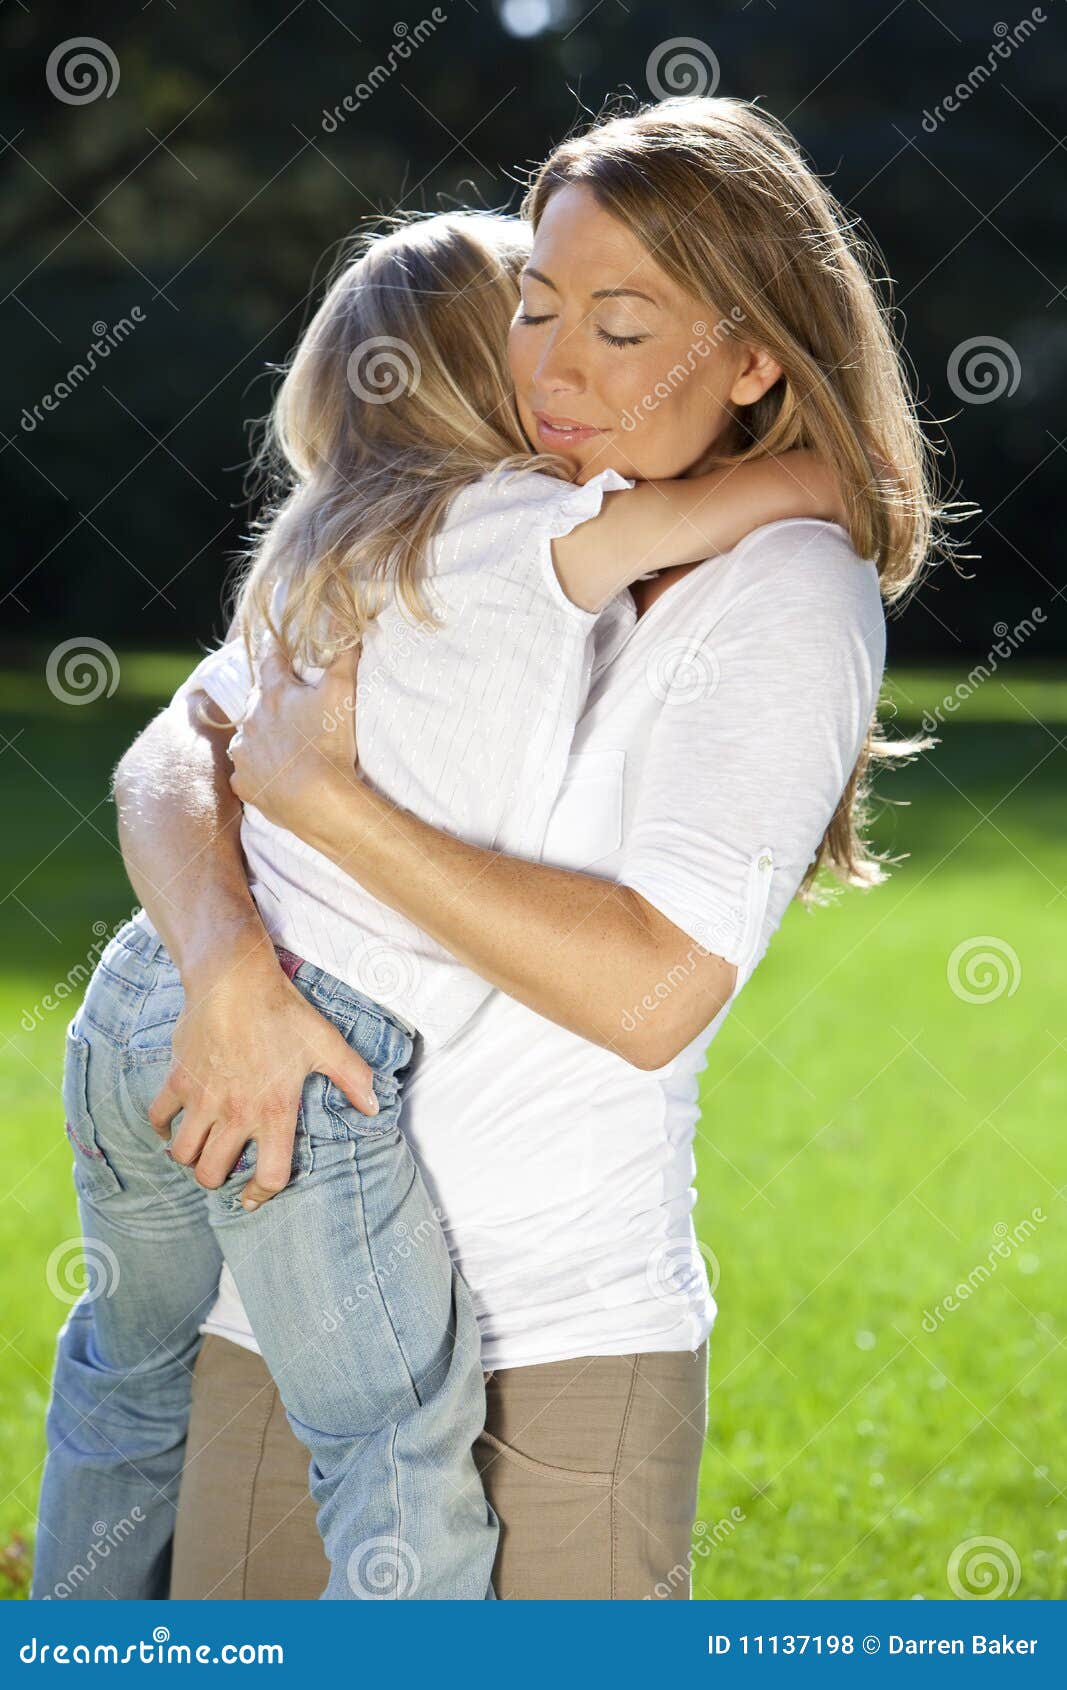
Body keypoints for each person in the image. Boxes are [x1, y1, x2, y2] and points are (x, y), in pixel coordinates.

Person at [101, 97, 945, 1600]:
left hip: (547, 1344)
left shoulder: (783, 589)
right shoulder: (463, 526)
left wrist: (327, 803)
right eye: (534, 306)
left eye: (621, 328)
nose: (551, 368)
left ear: (755, 357)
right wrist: (228, 965)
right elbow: (172, 754)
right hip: (278, 1277)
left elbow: (651, 994)